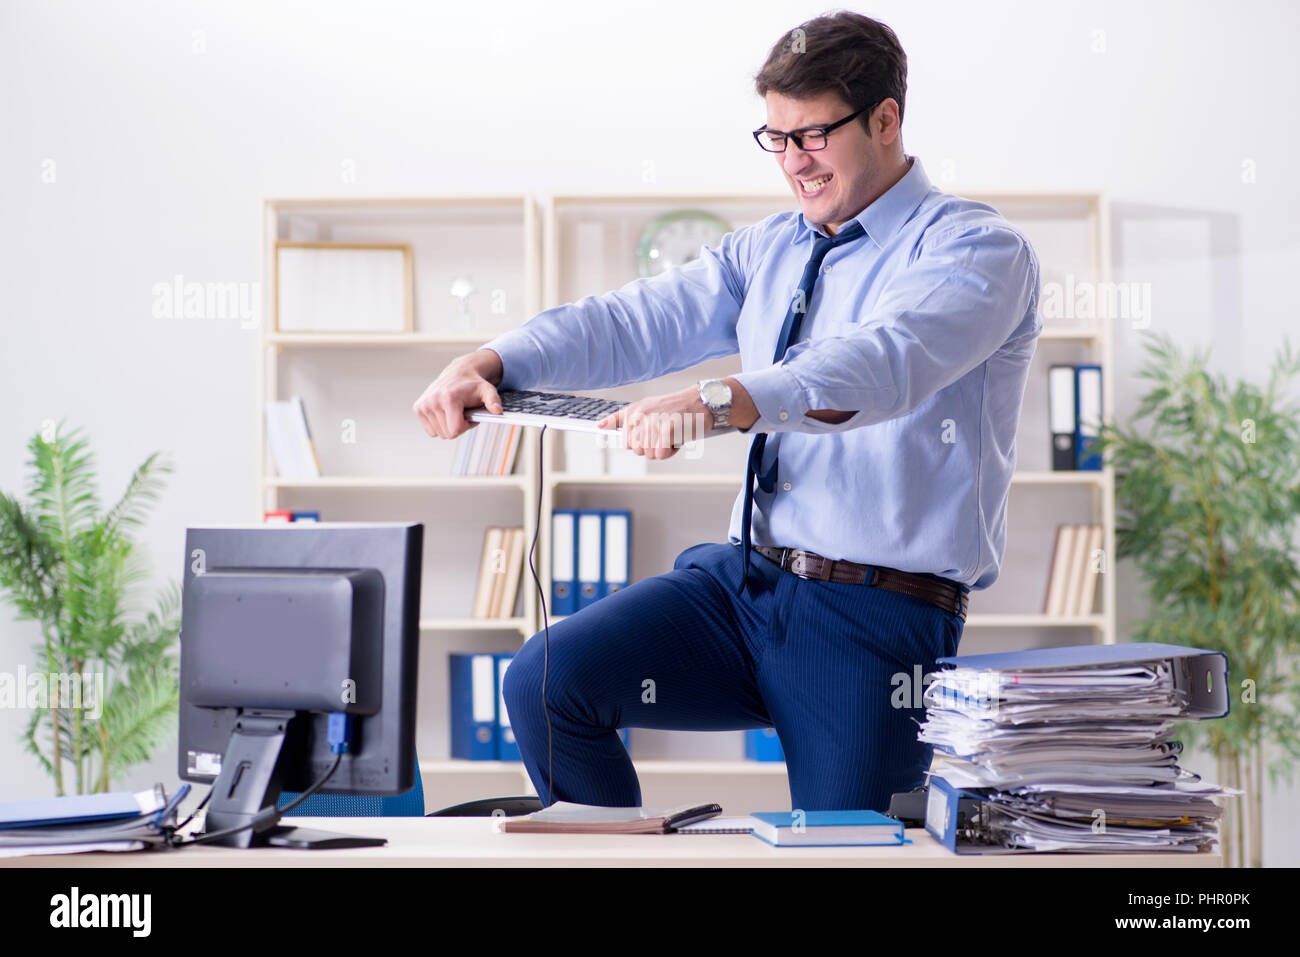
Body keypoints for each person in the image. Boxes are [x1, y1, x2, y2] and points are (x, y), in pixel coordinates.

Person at [412, 11, 1040, 812]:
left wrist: (725, 400)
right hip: (741, 587)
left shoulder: (975, 251)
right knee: (547, 680)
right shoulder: (768, 249)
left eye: (812, 136)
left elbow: (885, 362)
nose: (792, 163)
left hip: (873, 622)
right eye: (775, 138)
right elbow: (633, 320)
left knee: (845, 854)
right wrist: (492, 361)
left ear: (886, 118)